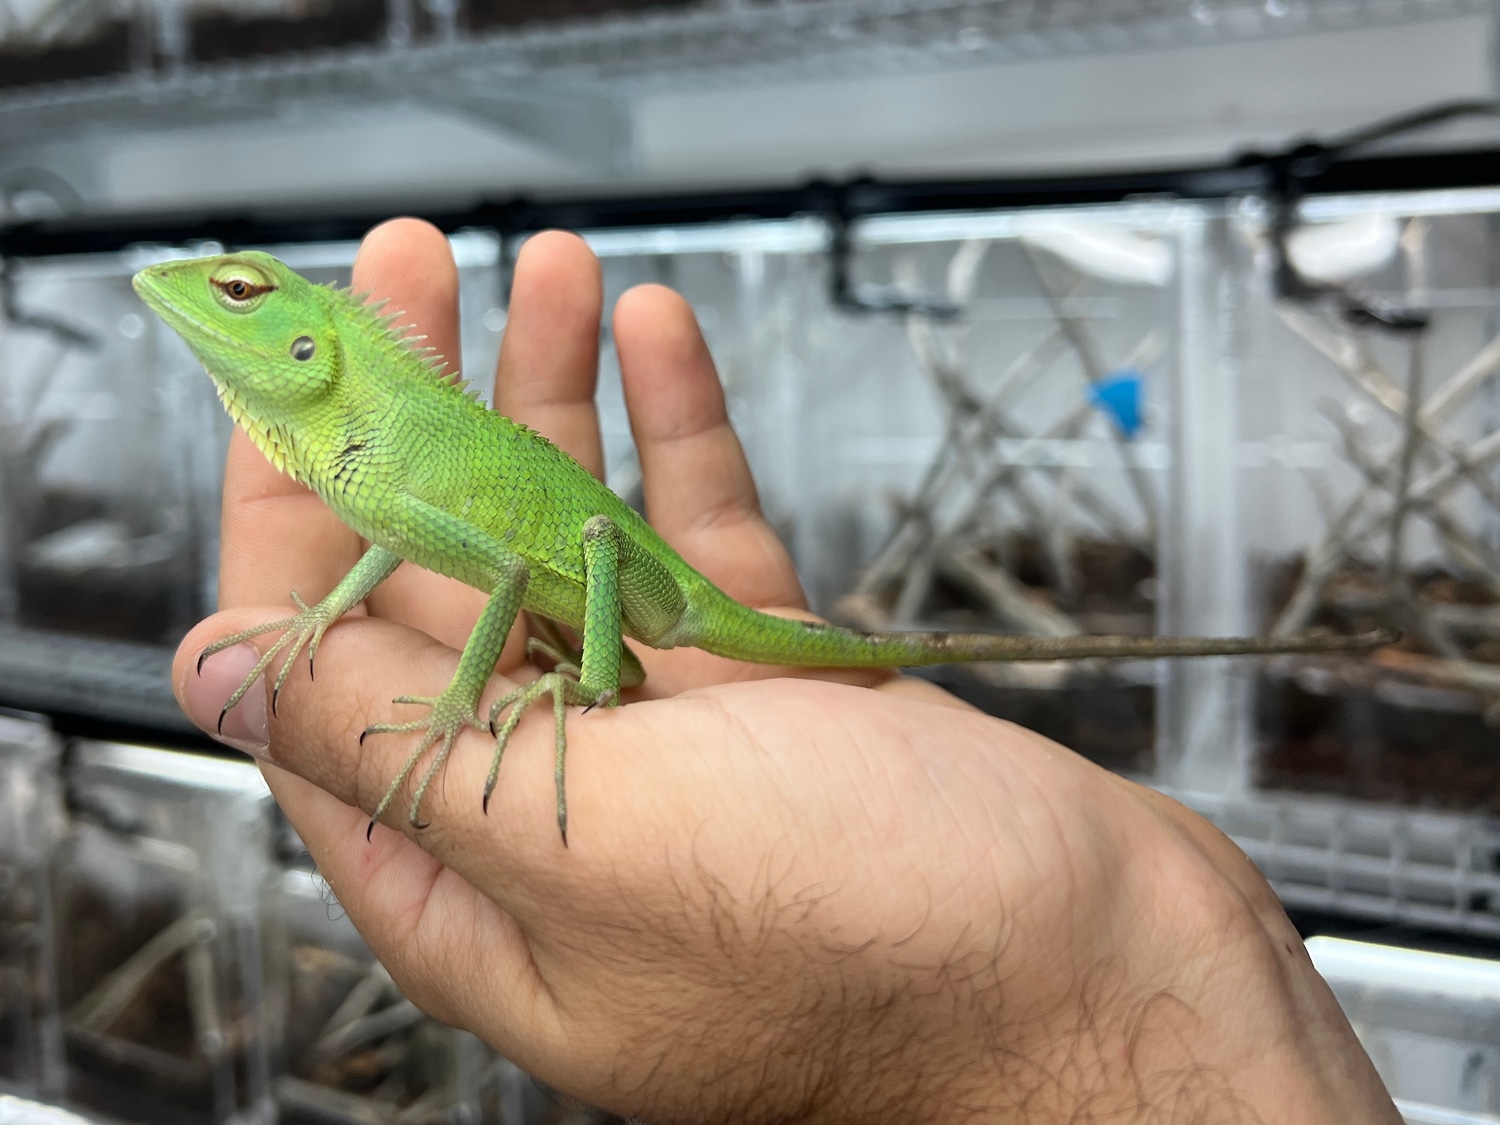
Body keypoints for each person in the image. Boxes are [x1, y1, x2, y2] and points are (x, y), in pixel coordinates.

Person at [174, 218, 1401, 1123]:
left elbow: (502, 575)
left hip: (645, 594)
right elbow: (408, 541)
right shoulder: (363, 457)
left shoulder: (378, 435)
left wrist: (477, 699)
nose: (196, 301)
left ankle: (596, 683)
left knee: (579, 543)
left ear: (301, 341)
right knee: (538, 545)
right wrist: (325, 609)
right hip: (595, 571)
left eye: (233, 291)